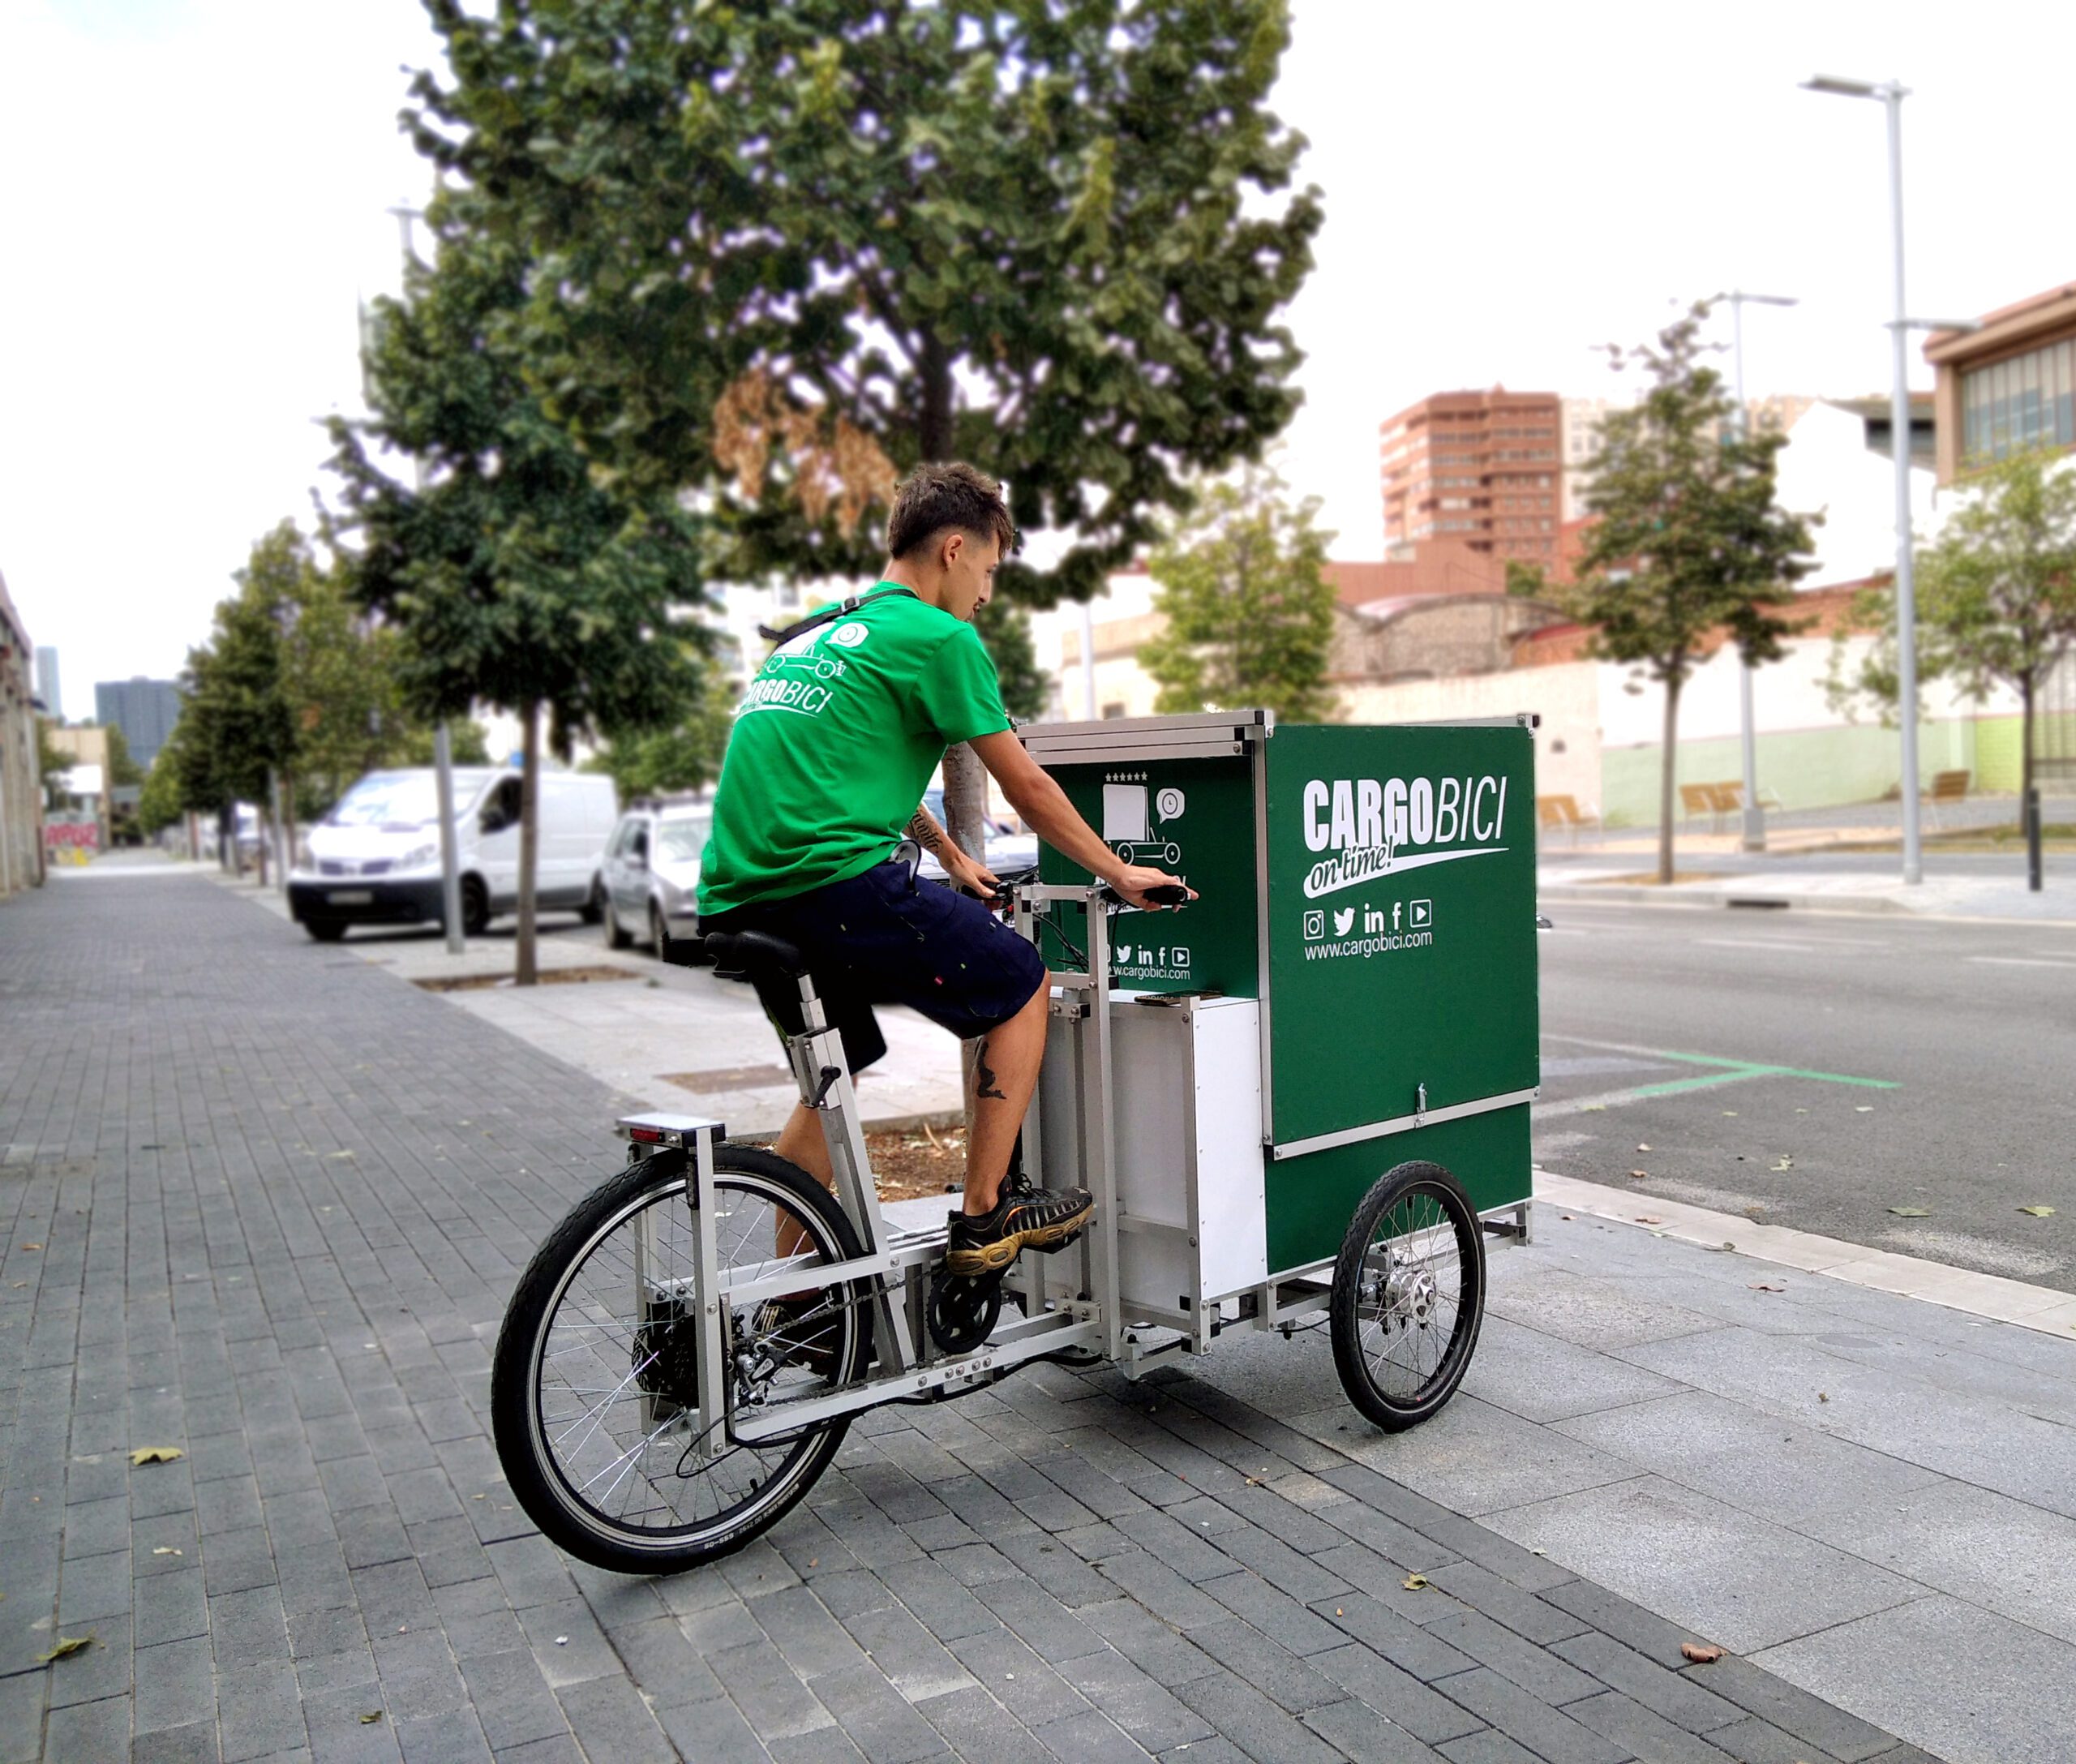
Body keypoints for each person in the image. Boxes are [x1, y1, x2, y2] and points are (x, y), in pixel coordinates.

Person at [697, 461, 1190, 1280]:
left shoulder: (814, 634)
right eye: (989, 571)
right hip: (830, 886)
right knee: (1020, 982)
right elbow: (1025, 783)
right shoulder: (939, 638)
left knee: (835, 1073)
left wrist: (952, 853)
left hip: (736, 894)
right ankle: (984, 1215)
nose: (986, 595)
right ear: (954, 549)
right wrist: (1118, 870)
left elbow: (838, 771)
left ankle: (782, 1303)